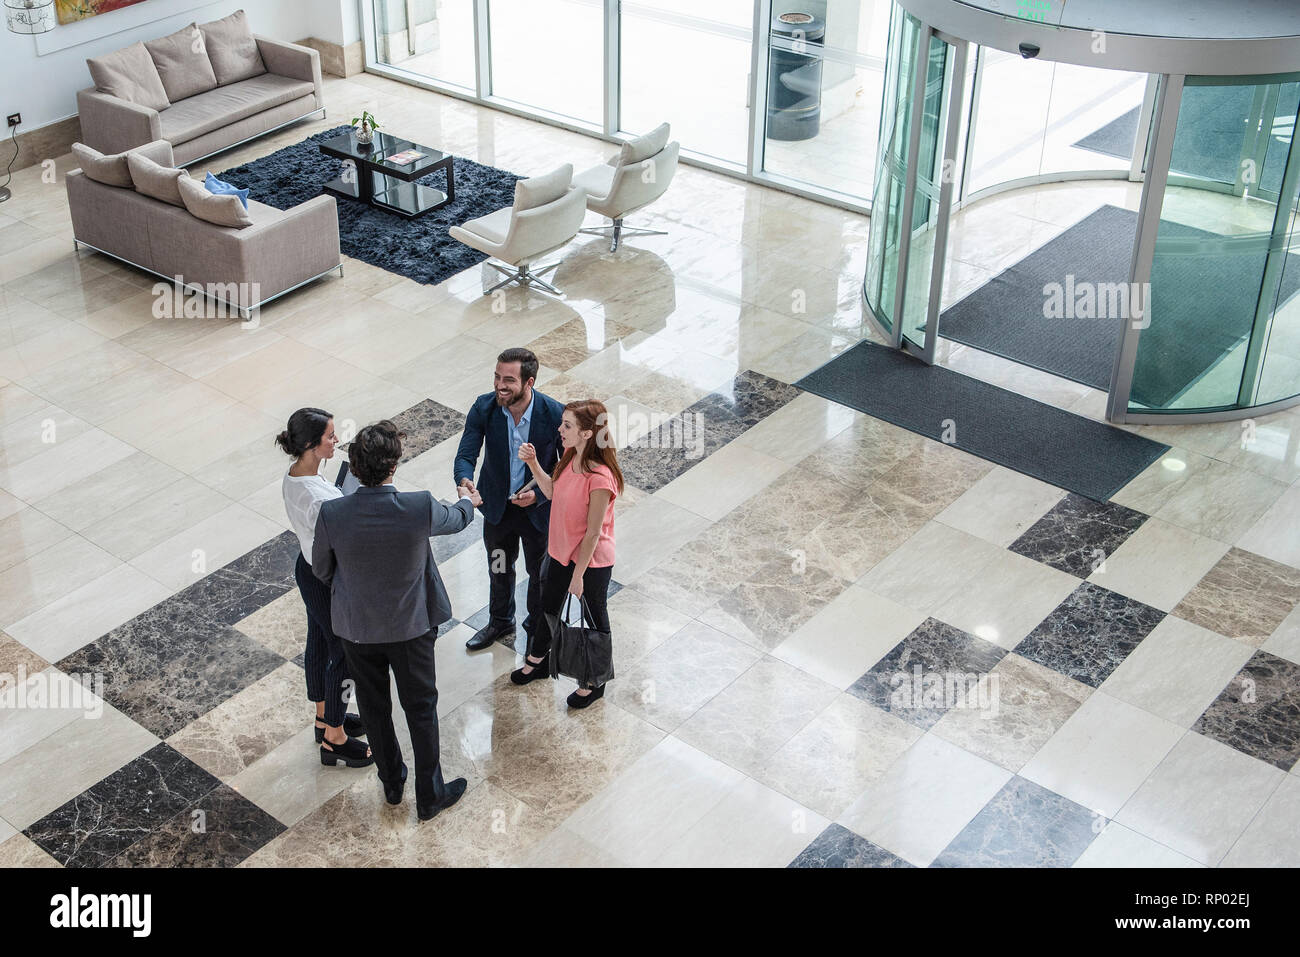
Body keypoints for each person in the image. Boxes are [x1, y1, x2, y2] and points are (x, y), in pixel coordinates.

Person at [312, 420, 481, 820]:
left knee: (373, 708)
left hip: (358, 630)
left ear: (354, 467)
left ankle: (391, 784)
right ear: (394, 466)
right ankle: (430, 795)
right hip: (411, 629)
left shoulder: (332, 513)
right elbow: (456, 520)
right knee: (420, 708)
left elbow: (322, 568)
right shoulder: (417, 505)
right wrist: (468, 501)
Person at [510, 400, 623, 709]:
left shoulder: (600, 478)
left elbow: (592, 533)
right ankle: (538, 659)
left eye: (567, 426)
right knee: (548, 608)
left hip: (590, 561)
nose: (560, 429)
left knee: (594, 616)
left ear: (587, 433)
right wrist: (534, 464)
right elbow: (551, 492)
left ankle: (594, 680)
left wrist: (578, 576)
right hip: (559, 551)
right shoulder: (570, 458)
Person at [276, 408, 372, 769]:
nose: (337, 441)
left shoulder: (296, 475)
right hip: (326, 576)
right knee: (342, 653)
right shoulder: (318, 498)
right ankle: (334, 738)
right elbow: (342, 539)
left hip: (307, 567)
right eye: (330, 437)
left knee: (317, 640)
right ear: (311, 445)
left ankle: (323, 717)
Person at [453, 348, 565, 652]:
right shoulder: (485, 407)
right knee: (499, 567)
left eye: (509, 380)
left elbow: (567, 469)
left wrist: (540, 493)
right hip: (497, 507)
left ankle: (535, 628)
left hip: (537, 510)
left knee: (538, 574)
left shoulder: (555, 414)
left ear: (529, 382)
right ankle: (500, 619)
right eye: (497, 377)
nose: (500, 385)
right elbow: (466, 454)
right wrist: (465, 481)